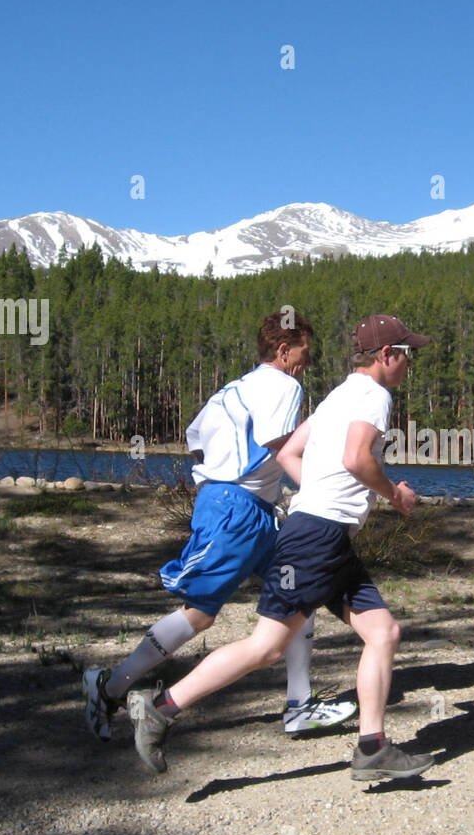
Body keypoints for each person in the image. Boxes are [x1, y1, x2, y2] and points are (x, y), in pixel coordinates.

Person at [126, 314, 436, 782]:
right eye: (408, 354)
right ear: (386, 355)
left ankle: (372, 747)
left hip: (326, 536)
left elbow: (289, 453)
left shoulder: (338, 394)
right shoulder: (374, 395)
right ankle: (162, 708)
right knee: (267, 646)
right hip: (317, 538)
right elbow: (356, 458)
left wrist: (321, 495)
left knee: (384, 633)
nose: (410, 364)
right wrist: (394, 495)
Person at [82, 310, 356, 741]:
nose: (309, 362)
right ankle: (111, 686)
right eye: (306, 352)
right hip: (239, 512)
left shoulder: (233, 388)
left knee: (296, 598)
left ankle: (300, 705)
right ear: (284, 351)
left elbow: (196, 443)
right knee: (201, 613)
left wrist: (224, 484)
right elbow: (281, 446)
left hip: (244, 508)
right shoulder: (286, 385)